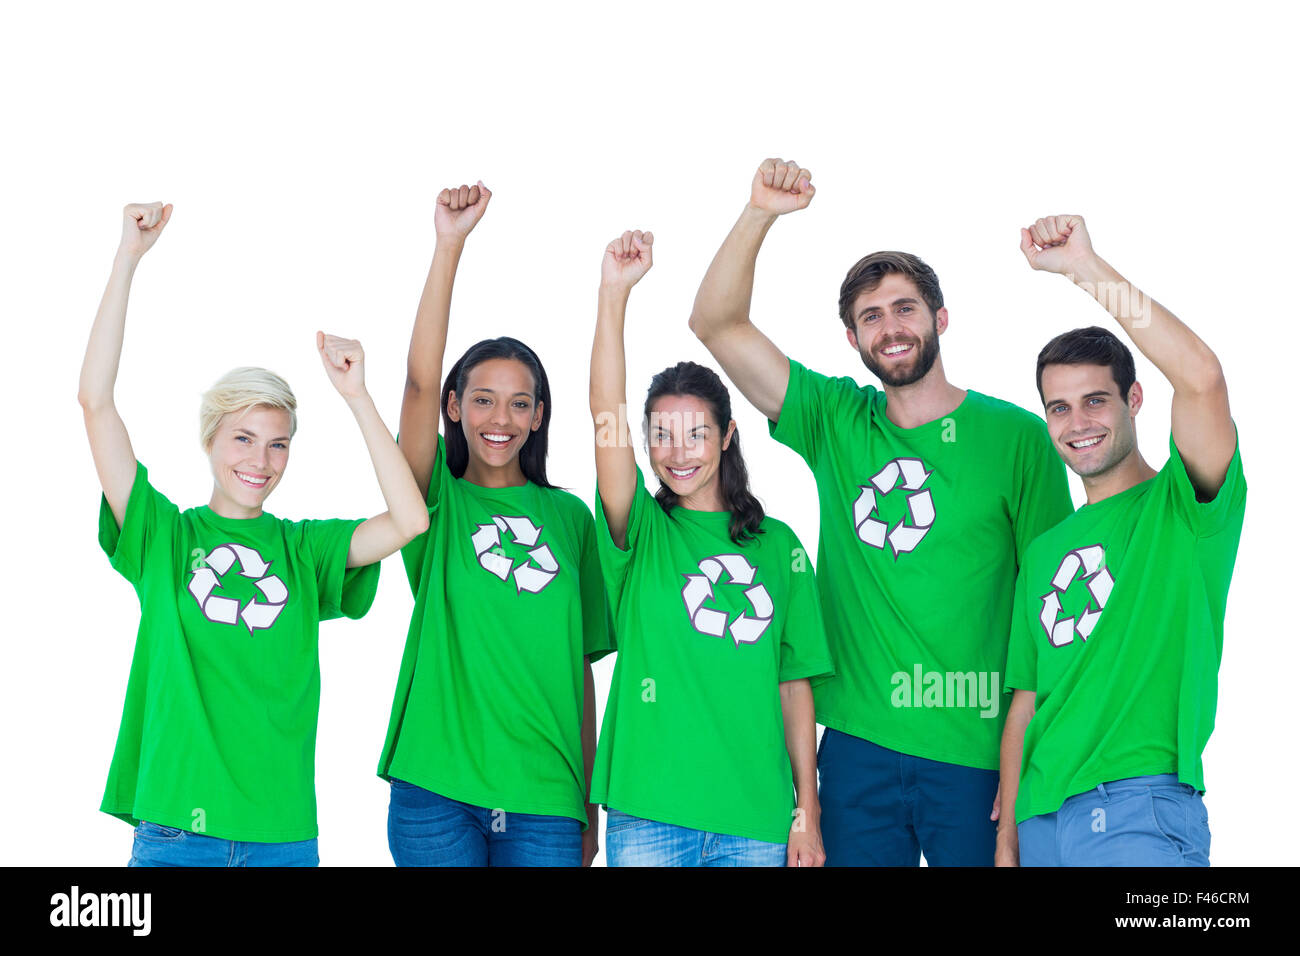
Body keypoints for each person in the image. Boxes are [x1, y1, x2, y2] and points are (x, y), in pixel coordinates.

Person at [688, 159, 1074, 866]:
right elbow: (714, 321)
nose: (890, 328)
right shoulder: (837, 419)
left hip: (976, 750)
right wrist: (760, 213)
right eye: (871, 317)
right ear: (853, 339)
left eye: (904, 309)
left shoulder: (1019, 439)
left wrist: (1031, 757)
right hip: (858, 750)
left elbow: (1049, 608)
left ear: (941, 319)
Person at [80, 202, 430, 867]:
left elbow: (411, 520)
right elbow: (95, 402)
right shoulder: (163, 537)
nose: (260, 462)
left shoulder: (304, 551)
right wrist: (127, 259)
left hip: (283, 835)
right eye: (243, 439)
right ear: (210, 440)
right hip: (178, 830)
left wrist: (357, 397)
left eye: (278, 445)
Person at [997, 215, 1245, 867]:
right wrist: (1007, 834)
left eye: (1095, 401)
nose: (1077, 423)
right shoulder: (1045, 553)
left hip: (1139, 807)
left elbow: (1202, 378)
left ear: (1134, 398)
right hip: (1041, 821)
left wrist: (1085, 270)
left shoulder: (1184, 509)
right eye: (1059, 407)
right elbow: (1027, 700)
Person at [377, 182, 612, 867]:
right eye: (482, 399)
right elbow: (417, 383)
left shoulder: (571, 519)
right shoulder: (430, 505)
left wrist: (589, 802)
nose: (500, 420)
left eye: (518, 403)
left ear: (540, 415)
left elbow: (581, 672)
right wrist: (448, 245)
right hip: (437, 791)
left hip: (545, 794)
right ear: (455, 407)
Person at [590, 229, 834, 867]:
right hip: (650, 812)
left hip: (754, 819)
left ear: (727, 435)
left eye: (696, 432)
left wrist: (805, 812)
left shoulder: (777, 545)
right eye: (661, 436)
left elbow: (794, 686)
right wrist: (613, 294)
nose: (678, 452)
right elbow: (604, 417)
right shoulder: (639, 532)